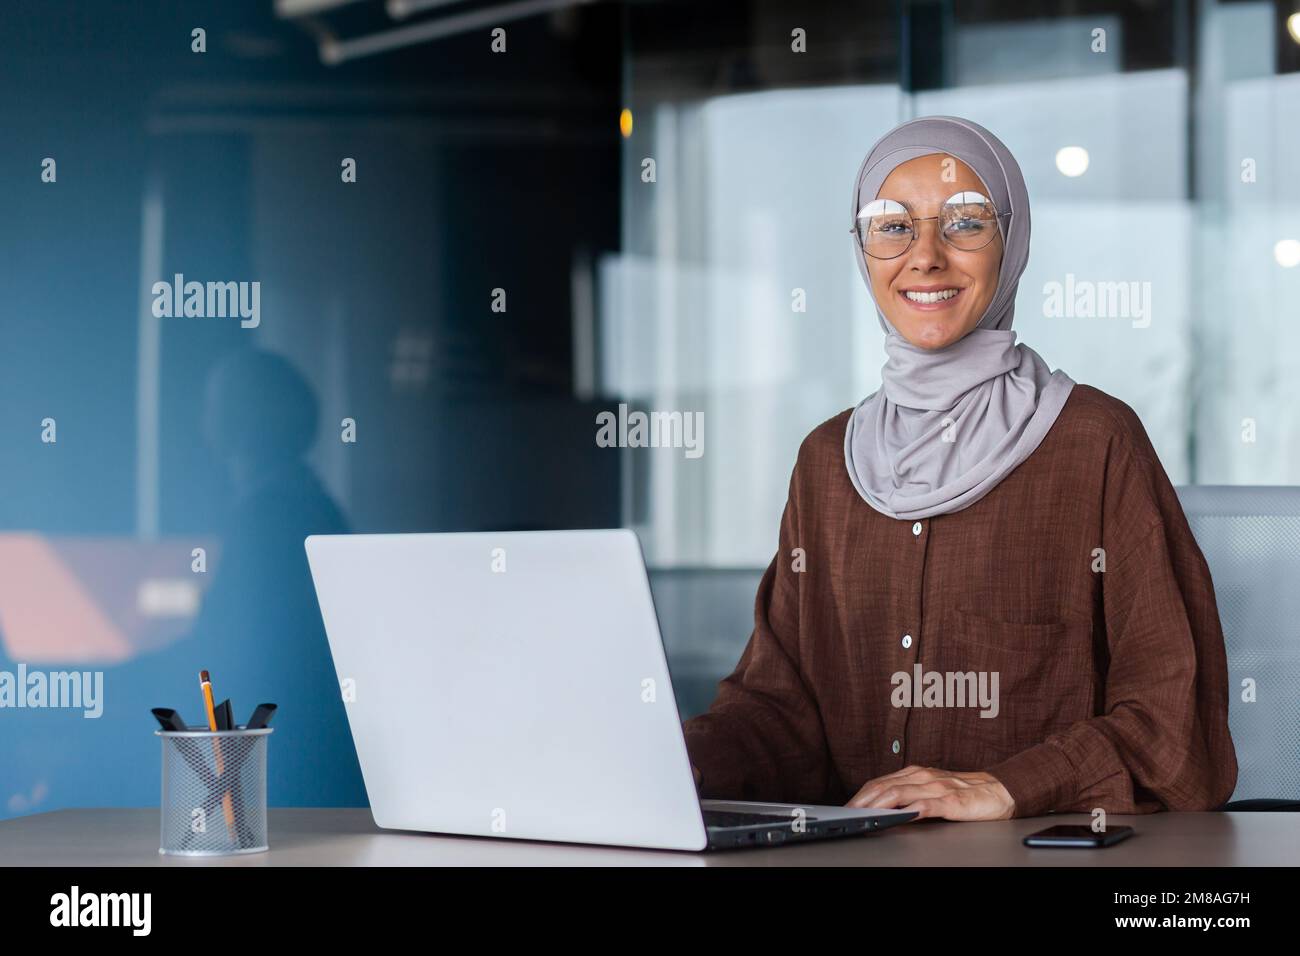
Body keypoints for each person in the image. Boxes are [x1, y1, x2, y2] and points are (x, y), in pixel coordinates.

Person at [682, 116, 1237, 821]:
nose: (925, 257)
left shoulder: (1094, 439)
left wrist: (1008, 786)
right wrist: (671, 761)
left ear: (1014, 241)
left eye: (965, 223)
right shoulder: (829, 461)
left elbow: (1174, 723)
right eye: (892, 226)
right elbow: (781, 714)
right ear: (862, 250)